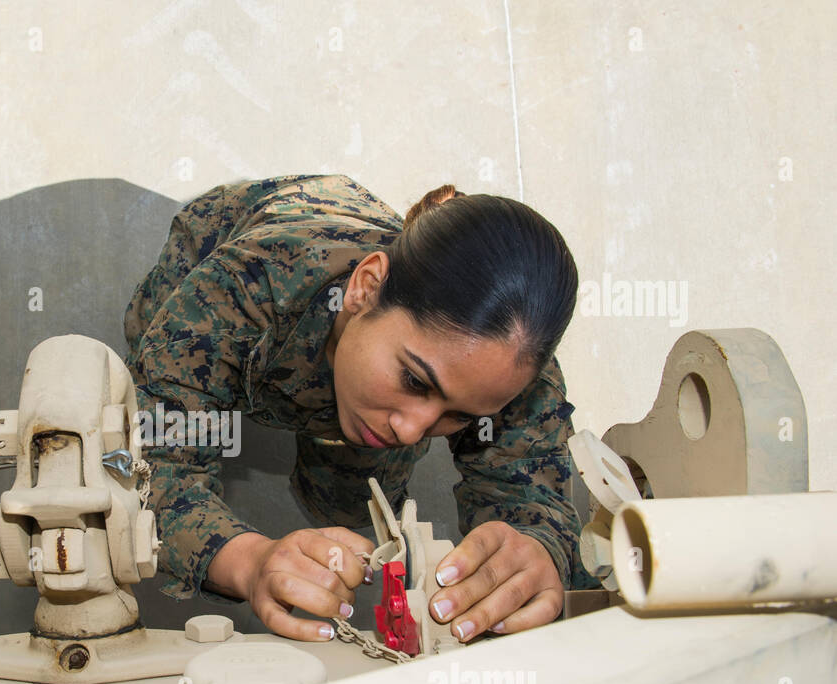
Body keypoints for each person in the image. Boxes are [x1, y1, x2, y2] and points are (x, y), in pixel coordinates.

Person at [123, 174, 595, 644]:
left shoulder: (508, 361)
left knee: (344, 502)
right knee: (132, 406)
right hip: (224, 244)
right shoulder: (239, 290)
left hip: (356, 342)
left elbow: (535, 502)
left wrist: (539, 550)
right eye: (414, 380)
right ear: (365, 288)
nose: (412, 433)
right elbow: (152, 471)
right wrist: (249, 562)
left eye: (461, 415)